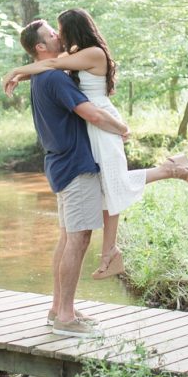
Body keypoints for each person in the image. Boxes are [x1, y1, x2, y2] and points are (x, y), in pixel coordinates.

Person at [4, 9, 188, 281]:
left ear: (73, 29)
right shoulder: (71, 57)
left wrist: (16, 71)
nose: (57, 35)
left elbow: (48, 66)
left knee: (114, 183)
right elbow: (46, 66)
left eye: (58, 29)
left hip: (103, 120)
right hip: (93, 124)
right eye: (52, 33)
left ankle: (173, 170)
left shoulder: (92, 53)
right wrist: (20, 74)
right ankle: (111, 252)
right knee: (109, 184)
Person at [17, 18, 129, 338]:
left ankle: (58, 309)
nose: (58, 35)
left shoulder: (43, 77)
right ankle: (66, 316)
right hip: (76, 165)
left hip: (60, 163)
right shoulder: (54, 78)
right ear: (42, 47)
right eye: (52, 34)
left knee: (68, 238)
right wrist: (122, 129)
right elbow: (91, 113)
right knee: (78, 239)